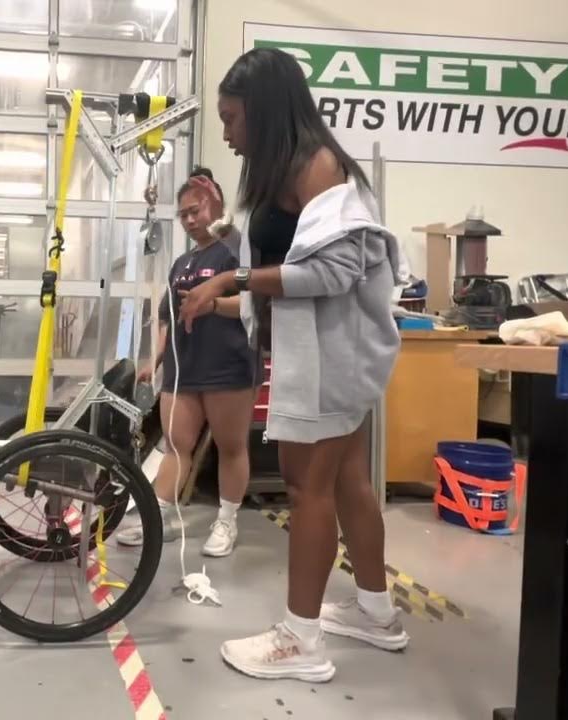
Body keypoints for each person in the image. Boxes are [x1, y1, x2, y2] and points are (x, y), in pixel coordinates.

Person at [179, 47, 409, 682]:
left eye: (231, 118)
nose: (226, 134)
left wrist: (233, 274)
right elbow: (279, 284)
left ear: (266, 110)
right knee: (349, 484)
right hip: (325, 355)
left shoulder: (320, 168)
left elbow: (333, 272)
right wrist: (222, 302)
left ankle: (301, 639)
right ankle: (377, 613)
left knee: (308, 489)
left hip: (333, 359)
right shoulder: (284, 172)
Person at [116, 168, 256, 558]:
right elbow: (167, 317)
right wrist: (154, 360)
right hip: (183, 371)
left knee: (231, 446)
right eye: (184, 215)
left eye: (197, 210)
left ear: (217, 206)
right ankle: (156, 516)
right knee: (176, 446)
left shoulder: (237, 251)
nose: (191, 219)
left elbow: (254, 305)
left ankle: (226, 520)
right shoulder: (182, 264)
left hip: (229, 368)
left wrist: (213, 304)